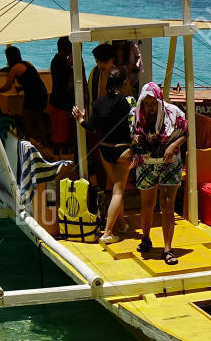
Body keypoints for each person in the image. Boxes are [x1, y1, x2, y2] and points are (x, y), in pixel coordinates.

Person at [72, 65, 135, 245]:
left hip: (104, 150)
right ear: (123, 83)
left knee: (114, 189)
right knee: (118, 191)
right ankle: (107, 233)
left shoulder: (98, 103)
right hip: (122, 150)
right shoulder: (128, 102)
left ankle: (121, 224)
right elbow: (136, 126)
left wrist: (81, 119)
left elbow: (91, 128)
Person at [128, 82, 188, 265]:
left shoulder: (174, 113)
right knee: (147, 204)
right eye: (146, 103)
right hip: (146, 162)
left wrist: (172, 145)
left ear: (160, 101)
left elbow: (186, 132)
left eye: (153, 103)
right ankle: (146, 238)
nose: (150, 107)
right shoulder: (135, 115)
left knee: (167, 206)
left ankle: (168, 249)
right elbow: (131, 132)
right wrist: (136, 138)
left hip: (170, 163)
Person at [0, 45, 49, 145]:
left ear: (8, 57)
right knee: (39, 120)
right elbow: (33, 80)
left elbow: (7, 87)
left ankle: (29, 145)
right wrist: (21, 88)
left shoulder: (14, 69)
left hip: (33, 96)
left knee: (26, 121)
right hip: (42, 93)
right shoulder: (27, 63)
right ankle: (45, 143)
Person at [47, 36, 76, 155]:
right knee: (62, 134)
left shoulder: (56, 61)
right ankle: (61, 156)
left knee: (57, 132)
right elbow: (69, 65)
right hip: (60, 103)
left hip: (55, 100)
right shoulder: (61, 63)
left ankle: (57, 155)